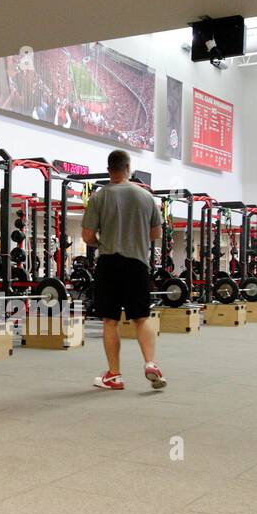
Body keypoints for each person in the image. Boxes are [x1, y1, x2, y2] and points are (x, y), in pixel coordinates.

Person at [82, 149, 166, 390]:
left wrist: (103, 241)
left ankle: (114, 375)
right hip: (137, 263)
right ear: (129, 169)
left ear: (110, 170)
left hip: (109, 262)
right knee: (141, 317)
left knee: (110, 321)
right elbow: (156, 234)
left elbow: (87, 236)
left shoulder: (98, 197)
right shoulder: (146, 197)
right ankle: (150, 363)